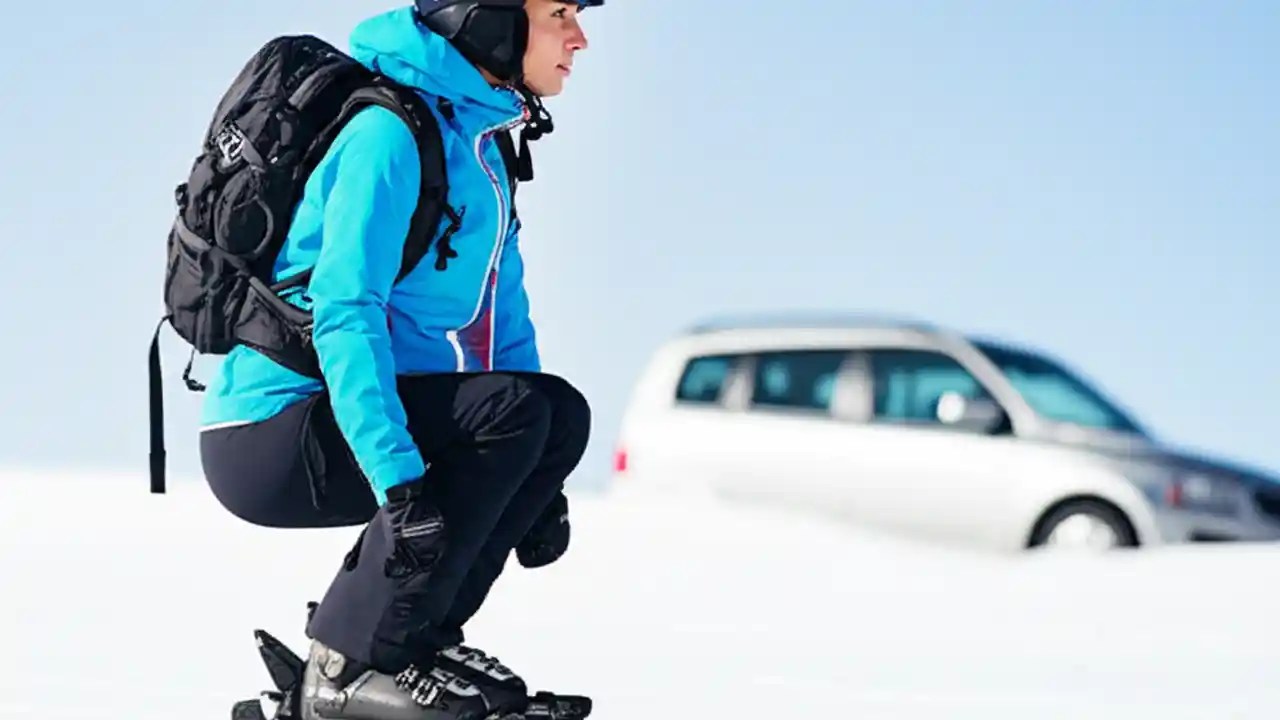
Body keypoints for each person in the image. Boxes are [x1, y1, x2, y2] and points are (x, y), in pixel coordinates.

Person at [196, 1, 600, 718]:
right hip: (272, 432)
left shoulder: (481, 150)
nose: (579, 37)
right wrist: (399, 484)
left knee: (554, 412)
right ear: (488, 17)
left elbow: (500, 329)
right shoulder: (387, 135)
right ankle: (344, 668)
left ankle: (417, 646)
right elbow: (346, 315)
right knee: (516, 414)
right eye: (558, 12)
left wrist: (540, 481)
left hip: (353, 420)